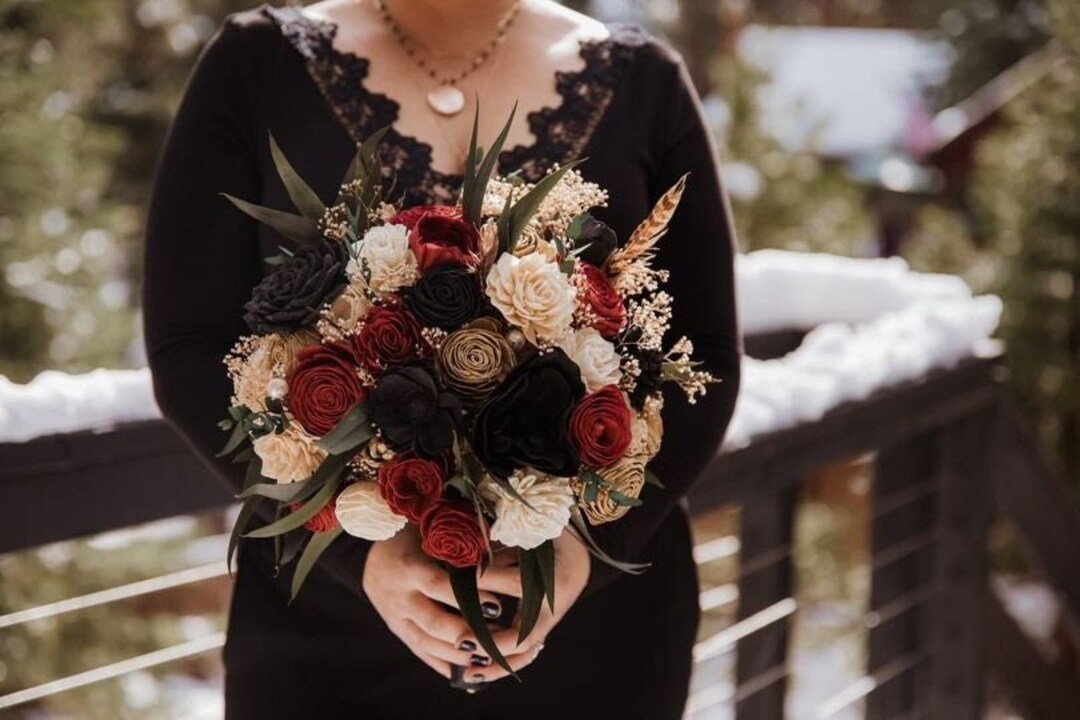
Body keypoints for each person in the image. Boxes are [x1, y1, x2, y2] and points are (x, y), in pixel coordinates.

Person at [143, 0, 741, 717]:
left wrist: (586, 549)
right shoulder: (258, 65)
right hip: (327, 629)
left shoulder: (642, 80)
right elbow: (189, 348)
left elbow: (706, 358)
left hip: (590, 630)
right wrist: (356, 556)